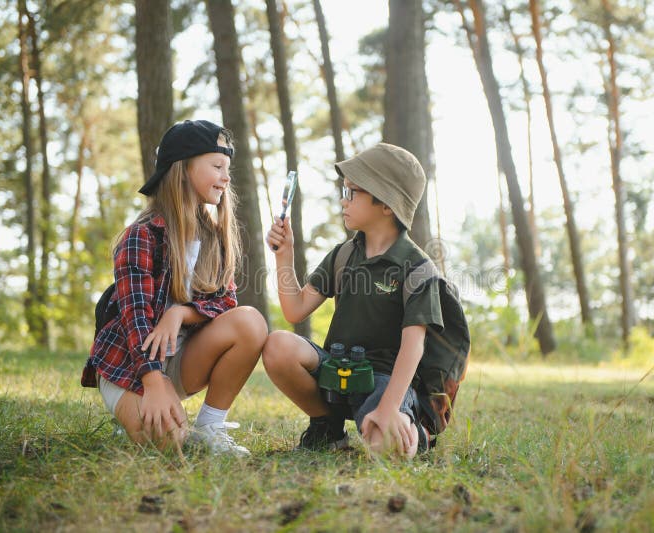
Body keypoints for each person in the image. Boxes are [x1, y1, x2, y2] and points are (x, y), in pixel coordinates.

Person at [81, 120, 267, 456]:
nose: (226, 177)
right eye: (217, 166)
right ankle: (143, 410)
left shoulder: (214, 238)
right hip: (130, 364)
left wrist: (180, 314)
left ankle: (210, 426)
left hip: (180, 357)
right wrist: (153, 380)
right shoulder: (141, 236)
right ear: (183, 169)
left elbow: (227, 302)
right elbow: (134, 317)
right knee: (168, 445)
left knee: (250, 321)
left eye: (228, 169)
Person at [263, 143, 443, 459]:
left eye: (352, 193)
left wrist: (388, 408)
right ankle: (327, 427)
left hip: (383, 381)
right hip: (335, 370)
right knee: (278, 345)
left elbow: (414, 346)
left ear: (387, 204)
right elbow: (295, 309)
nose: (343, 202)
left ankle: (418, 430)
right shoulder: (344, 255)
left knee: (385, 446)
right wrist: (285, 255)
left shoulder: (417, 268)